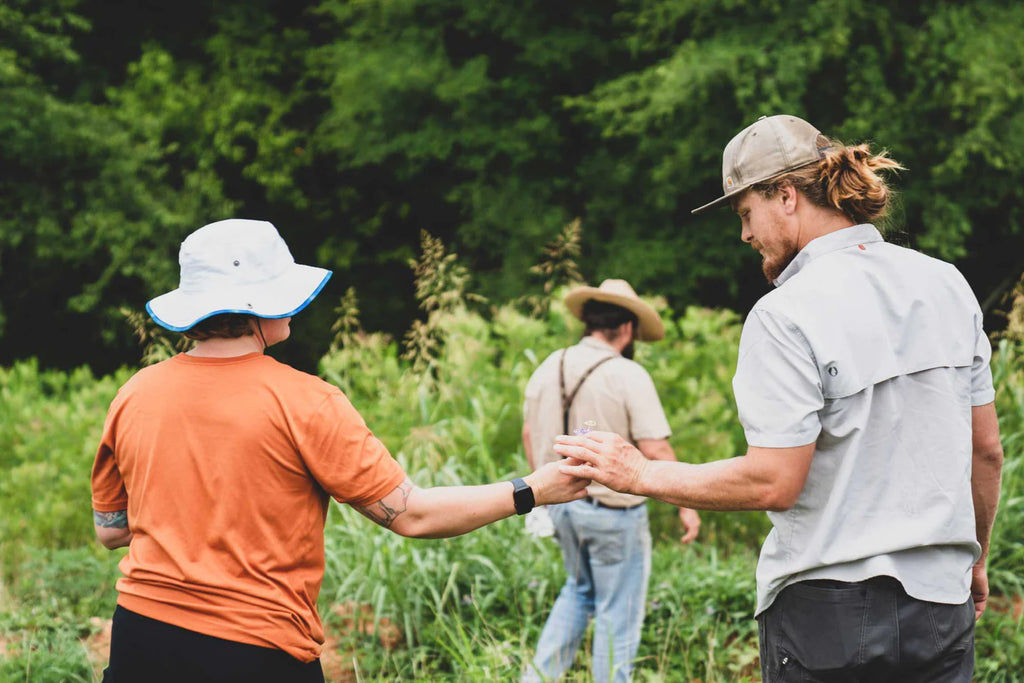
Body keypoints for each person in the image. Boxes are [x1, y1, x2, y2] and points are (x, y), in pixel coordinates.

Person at [555, 115, 1004, 682]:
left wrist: (639, 472)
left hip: (828, 614)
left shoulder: (785, 314)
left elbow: (773, 481)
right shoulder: (945, 284)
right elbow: (986, 449)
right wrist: (976, 558)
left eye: (746, 214)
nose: (744, 234)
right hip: (942, 606)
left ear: (786, 195)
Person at [90, 218, 588, 683]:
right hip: (253, 649)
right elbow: (412, 516)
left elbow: (110, 531)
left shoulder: (136, 393)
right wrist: (534, 489)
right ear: (257, 305)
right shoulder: (308, 401)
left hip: (140, 636)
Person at [521, 279, 701, 683]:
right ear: (626, 329)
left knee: (579, 591)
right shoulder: (626, 373)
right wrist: (688, 506)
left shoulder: (550, 364)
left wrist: (543, 496)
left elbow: (529, 434)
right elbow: (656, 450)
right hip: (614, 516)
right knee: (618, 614)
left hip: (562, 506)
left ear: (589, 323)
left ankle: (535, 679)